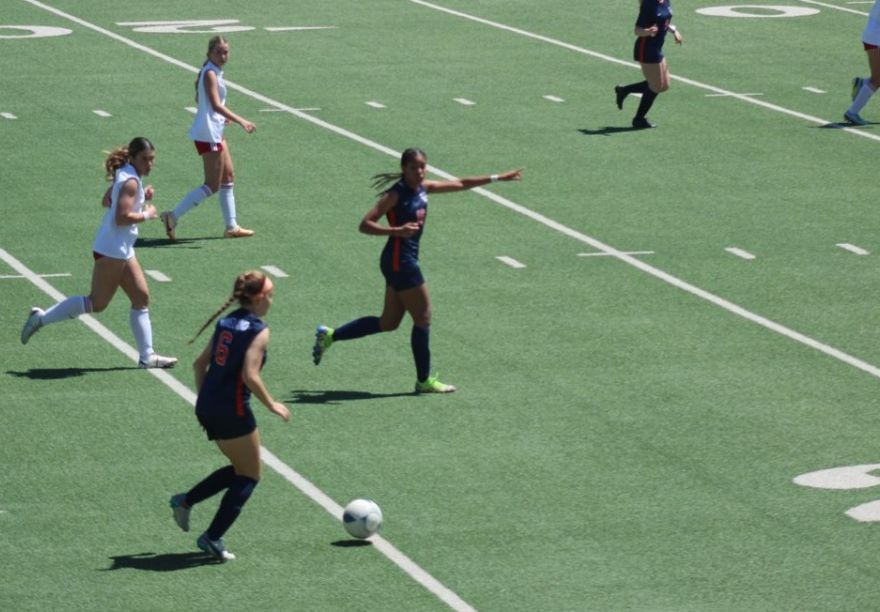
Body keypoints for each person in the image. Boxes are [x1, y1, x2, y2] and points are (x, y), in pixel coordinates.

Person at [312, 148, 523, 393]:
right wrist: (396, 230)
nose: (420, 171)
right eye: (414, 167)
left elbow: (460, 183)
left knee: (389, 322)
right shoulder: (395, 195)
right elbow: (365, 224)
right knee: (423, 318)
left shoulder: (423, 188)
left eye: (423, 166)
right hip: (400, 262)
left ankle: (331, 335)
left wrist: (498, 177)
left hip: (399, 261)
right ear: (404, 169)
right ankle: (423, 381)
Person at [20, 137, 177, 369]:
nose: (149, 164)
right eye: (145, 159)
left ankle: (147, 356)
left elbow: (107, 200)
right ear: (133, 158)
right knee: (97, 302)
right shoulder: (130, 182)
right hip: (113, 248)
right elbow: (121, 217)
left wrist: (141, 196)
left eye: (152, 159)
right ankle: (41, 319)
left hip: (121, 247)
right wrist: (147, 214)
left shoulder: (127, 175)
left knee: (141, 297)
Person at [169, 270, 289, 561]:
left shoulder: (226, 322)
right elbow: (249, 375)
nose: (272, 301)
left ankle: (185, 501)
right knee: (250, 476)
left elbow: (199, 365)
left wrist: (206, 400)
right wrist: (271, 404)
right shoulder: (259, 330)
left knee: (240, 468)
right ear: (258, 298)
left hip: (208, 406)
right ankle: (211, 537)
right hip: (232, 410)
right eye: (270, 295)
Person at [160, 35, 256, 240]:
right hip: (208, 134)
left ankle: (231, 227)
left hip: (215, 130)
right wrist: (241, 121)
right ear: (210, 53)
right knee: (212, 185)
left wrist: (221, 118)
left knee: (228, 176)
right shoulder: (210, 73)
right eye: (218, 52)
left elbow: (203, 100)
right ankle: (172, 216)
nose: (223, 56)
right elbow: (215, 105)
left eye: (226, 52)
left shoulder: (214, 71)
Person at [614, 0, 683, 129]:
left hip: (657, 48)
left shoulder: (666, 1)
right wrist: (648, 31)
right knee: (656, 86)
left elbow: (664, 21)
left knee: (664, 85)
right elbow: (637, 30)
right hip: (646, 49)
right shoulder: (648, 4)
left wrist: (674, 31)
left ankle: (624, 90)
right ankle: (638, 119)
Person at [845, 0, 880, 125]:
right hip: (875, 38)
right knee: (877, 79)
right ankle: (852, 112)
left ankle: (863, 84)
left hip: (873, 36)